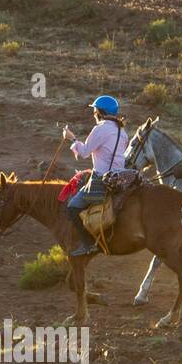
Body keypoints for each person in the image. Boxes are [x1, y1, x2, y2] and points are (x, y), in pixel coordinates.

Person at [61, 95, 129, 256]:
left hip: (102, 179)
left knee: (72, 207)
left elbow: (84, 152)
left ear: (100, 112)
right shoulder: (122, 131)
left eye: (94, 110)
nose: (93, 113)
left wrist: (72, 139)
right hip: (121, 178)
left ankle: (87, 244)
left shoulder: (100, 129)